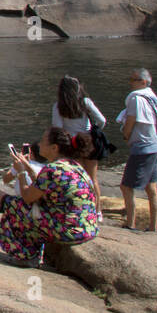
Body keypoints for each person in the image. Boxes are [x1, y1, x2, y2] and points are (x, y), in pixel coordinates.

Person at [0, 127, 100, 267]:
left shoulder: (52, 169)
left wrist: (21, 173)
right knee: (27, 207)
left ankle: (25, 256)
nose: (39, 144)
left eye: (43, 141)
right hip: (89, 228)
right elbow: (43, 190)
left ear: (54, 148)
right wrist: (28, 168)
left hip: (69, 231)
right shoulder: (75, 166)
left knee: (14, 205)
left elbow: (27, 197)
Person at [117, 68, 157, 231]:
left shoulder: (136, 99)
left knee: (126, 187)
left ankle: (130, 224)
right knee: (151, 188)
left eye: (134, 79)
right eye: (130, 79)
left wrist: (126, 136)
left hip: (143, 148)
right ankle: (153, 227)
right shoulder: (153, 98)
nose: (130, 82)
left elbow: (131, 120)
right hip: (155, 146)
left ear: (143, 82)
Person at [51, 75, 110, 213]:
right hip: (88, 142)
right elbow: (102, 120)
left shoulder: (58, 106)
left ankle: (80, 209)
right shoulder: (85, 102)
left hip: (72, 144)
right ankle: (98, 211)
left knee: (77, 178)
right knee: (92, 178)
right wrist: (92, 132)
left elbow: (57, 127)